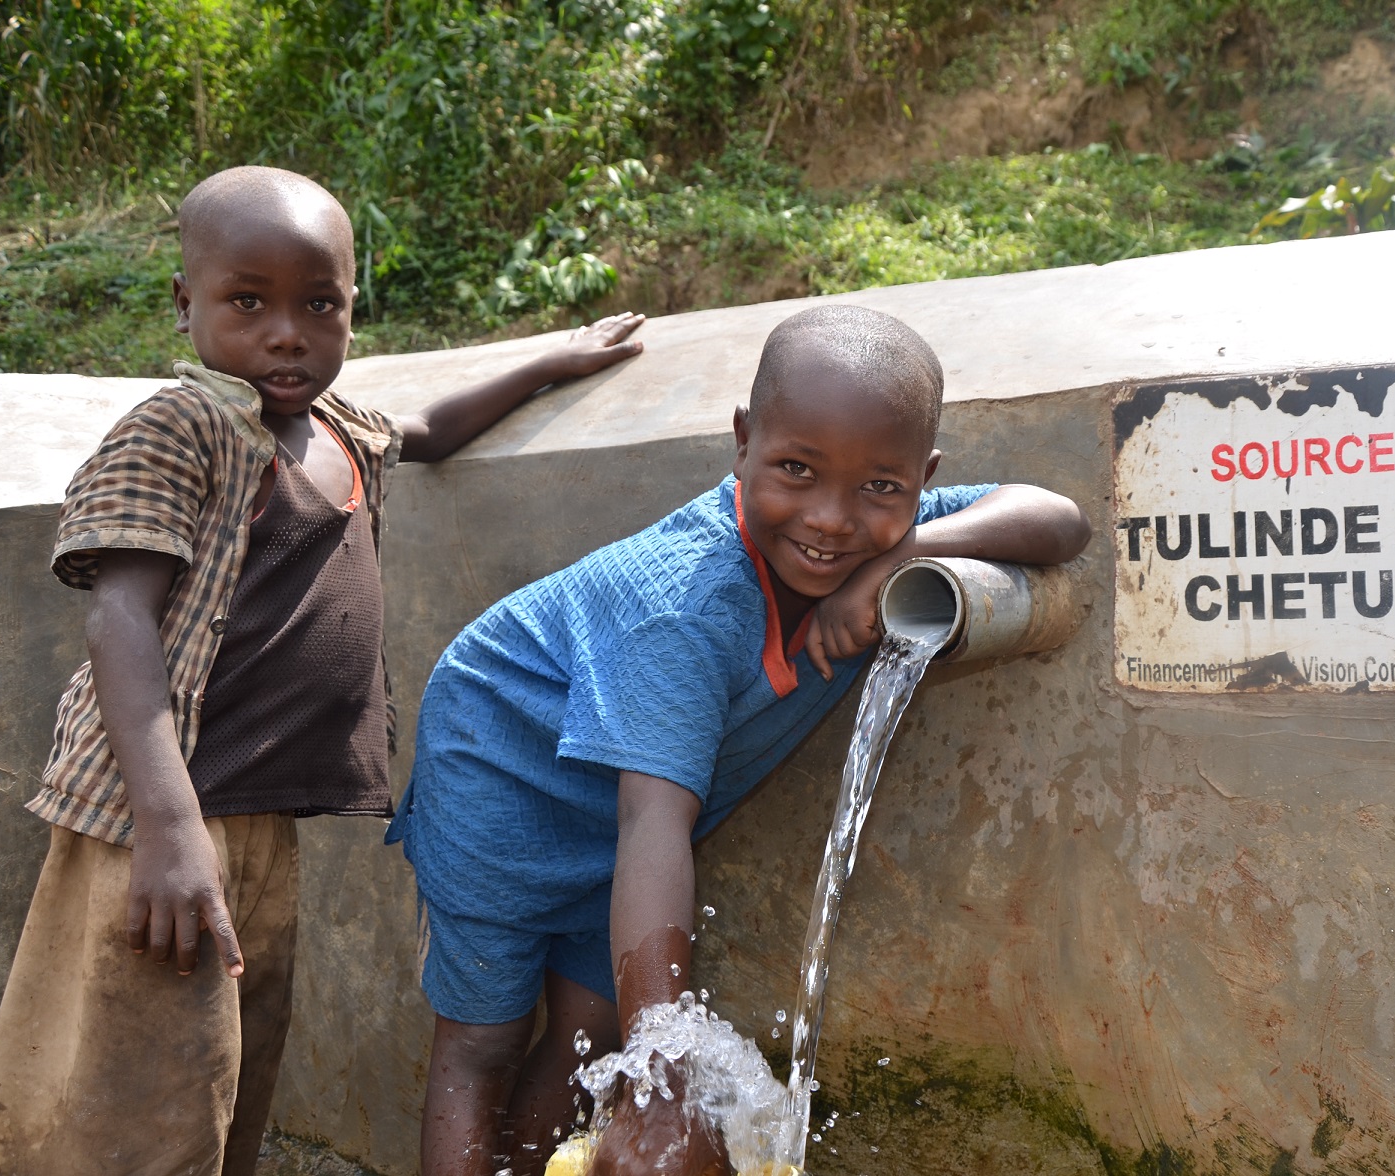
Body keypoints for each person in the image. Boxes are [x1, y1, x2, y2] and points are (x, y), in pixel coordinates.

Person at [0, 165, 646, 1176]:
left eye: (319, 305)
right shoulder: (180, 429)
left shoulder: (340, 430)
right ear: (186, 304)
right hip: (154, 817)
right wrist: (167, 827)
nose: (287, 334)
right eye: (248, 302)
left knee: (226, 1082)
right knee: (134, 1099)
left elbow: (431, 430)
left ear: (350, 307)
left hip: (259, 815)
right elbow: (118, 619)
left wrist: (550, 362)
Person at [392, 303, 1091, 1176]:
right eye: (795, 470)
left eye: (880, 488)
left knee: (586, 1035)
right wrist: (664, 1077)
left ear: (923, 479)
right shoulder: (684, 606)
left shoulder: (873, 542)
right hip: (498, 774)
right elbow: (653, 821)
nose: (831, 519)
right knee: (484, 1040)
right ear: (741, 443)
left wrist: (897, 558)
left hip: (632, 822)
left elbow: (1057, 518)